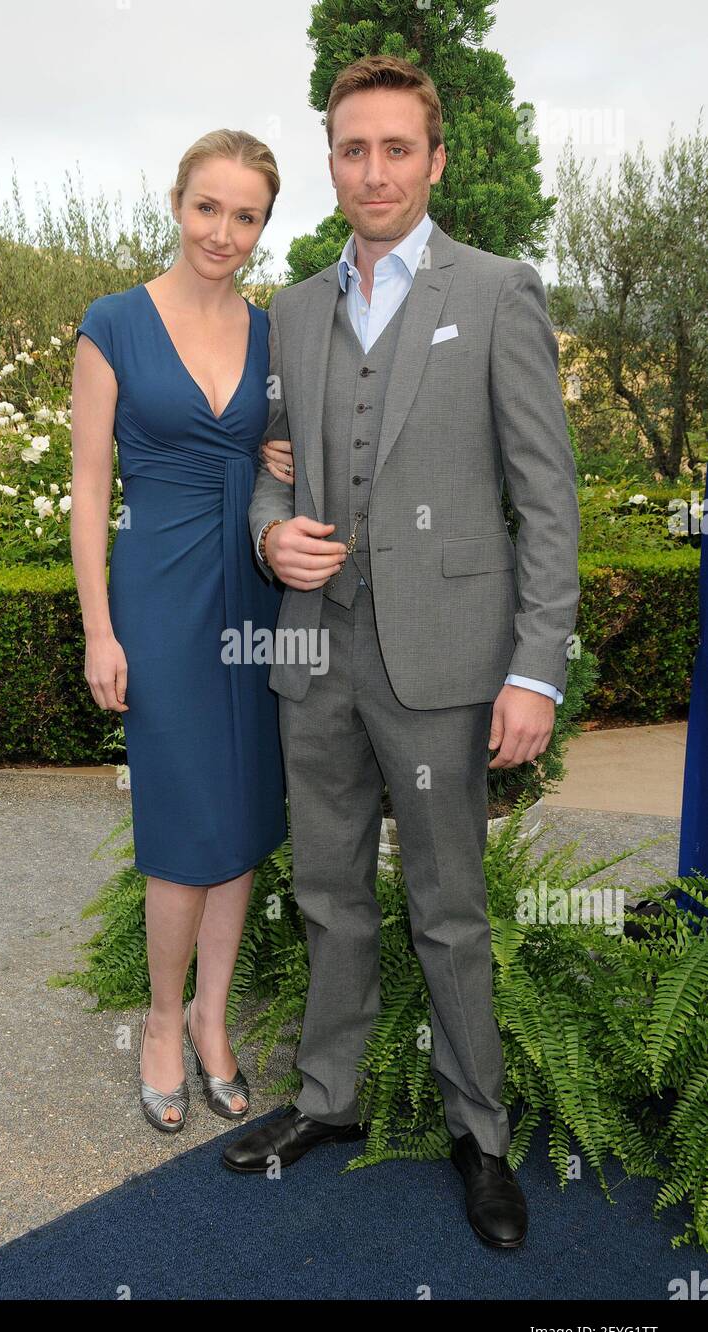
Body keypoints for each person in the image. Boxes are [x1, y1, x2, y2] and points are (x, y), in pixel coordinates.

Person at [224, 55, 580, 1251]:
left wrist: (534, 667)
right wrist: (276, 544)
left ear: (434, 160)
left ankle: (478, 1134)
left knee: (448, 909)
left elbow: (545, 495)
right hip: (313, 660)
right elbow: (269, 473)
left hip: (443, 665)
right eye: (349, 148)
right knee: (326, 894)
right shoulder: (293, 310)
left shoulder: (495, 292)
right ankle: (325, 1101)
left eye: (393, 149)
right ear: (329, 159)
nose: (370, 170)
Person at [70, 130, 293, 1133]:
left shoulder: (272, 332)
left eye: (245, 215)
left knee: (243, 813)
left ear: (260, 227)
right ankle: (161, 1020)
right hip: (157, 598)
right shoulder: (112, 324)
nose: (223, 231)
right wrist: (97, 630)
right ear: (176, 202)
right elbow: (85, 489)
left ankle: (212, 1018)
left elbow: (287, 455)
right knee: (179, 822)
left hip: (253, 598)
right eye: (209, 207)